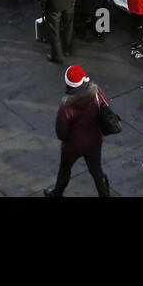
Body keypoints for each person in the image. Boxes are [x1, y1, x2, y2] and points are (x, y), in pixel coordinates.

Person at [45, 65, 111, 197]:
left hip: (73, 145)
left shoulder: (66, 105)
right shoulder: (97, 92)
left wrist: (66, 139)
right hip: (94, 141)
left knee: (65, 170)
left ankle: (57, 194)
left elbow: (61, 131)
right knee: (96, 171)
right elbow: (106, 107)